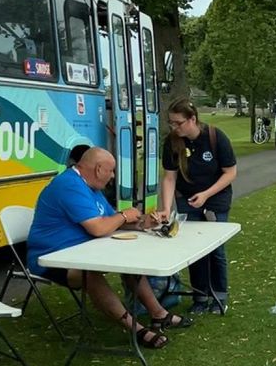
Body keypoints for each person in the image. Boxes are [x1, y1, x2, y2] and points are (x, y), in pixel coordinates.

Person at [26, 147, 189, 350]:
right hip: (51, 258)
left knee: (128, 261)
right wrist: (124, 216)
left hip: (83, 251)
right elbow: (98, 228)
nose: (112, 176)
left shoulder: (90, 187)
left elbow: (110, 221)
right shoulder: (69, 186)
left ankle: (159, 314)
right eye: (111, 171)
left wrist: (142, 223)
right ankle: (136, 329)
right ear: (98, 169)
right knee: (88, 273)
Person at [160, 99, 237, 314]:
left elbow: (230, 173)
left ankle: (219, 297)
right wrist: (166, 208)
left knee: (215, 249)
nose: (174, 127)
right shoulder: (172, 143)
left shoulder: (215, 137)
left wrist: (206, 195)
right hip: (187, 201)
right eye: (171, 123)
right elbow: (169, 178)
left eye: (178, 123)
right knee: (194, 249)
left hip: (216, 200)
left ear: (192, 119)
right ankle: (200, 297)